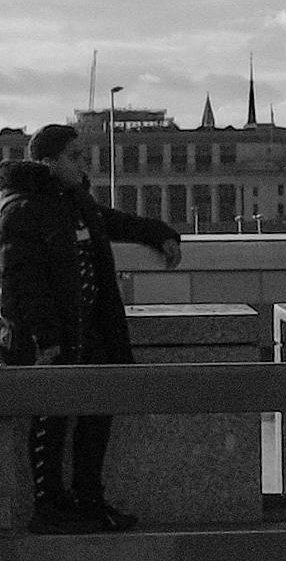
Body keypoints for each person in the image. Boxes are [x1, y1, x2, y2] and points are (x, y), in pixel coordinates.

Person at [0, 122, 183, 530]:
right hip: (51, 340)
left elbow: (112, 222)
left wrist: (160, 235)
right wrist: (45, 341)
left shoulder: (72, 202)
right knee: (51, 419)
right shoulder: (22, 209)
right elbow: (23, 285)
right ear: (48, 162)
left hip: (89, 334)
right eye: (75, 156)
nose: (84, 163)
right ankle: (48, 507)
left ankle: (88, 499)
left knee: (98, 411)